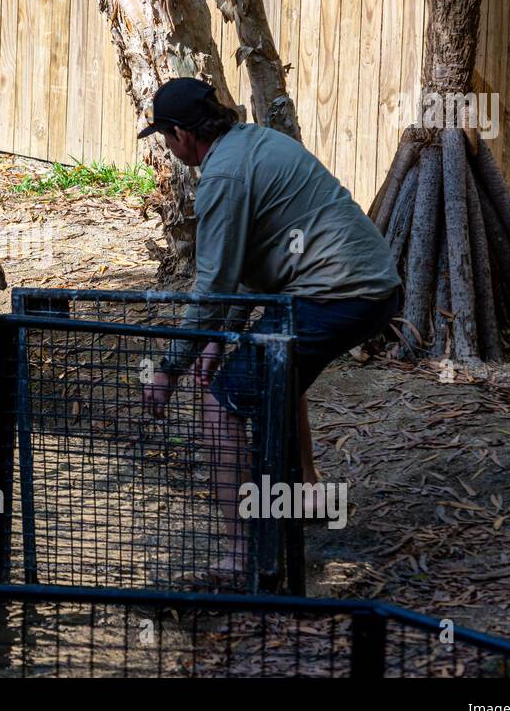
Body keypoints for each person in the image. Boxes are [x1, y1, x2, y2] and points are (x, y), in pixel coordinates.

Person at [139, 77, 401, 501]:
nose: (167, 146)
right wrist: (215, 342)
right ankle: (306, 496)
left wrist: (170, 368)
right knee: (279, 373)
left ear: (182, 135)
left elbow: (213, 284)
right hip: (371, 287)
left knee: (221, 405)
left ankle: (242, 555)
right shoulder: (251, 142)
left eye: (165, 136)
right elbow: (243, 270)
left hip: (335, 295)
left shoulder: (223, 176)